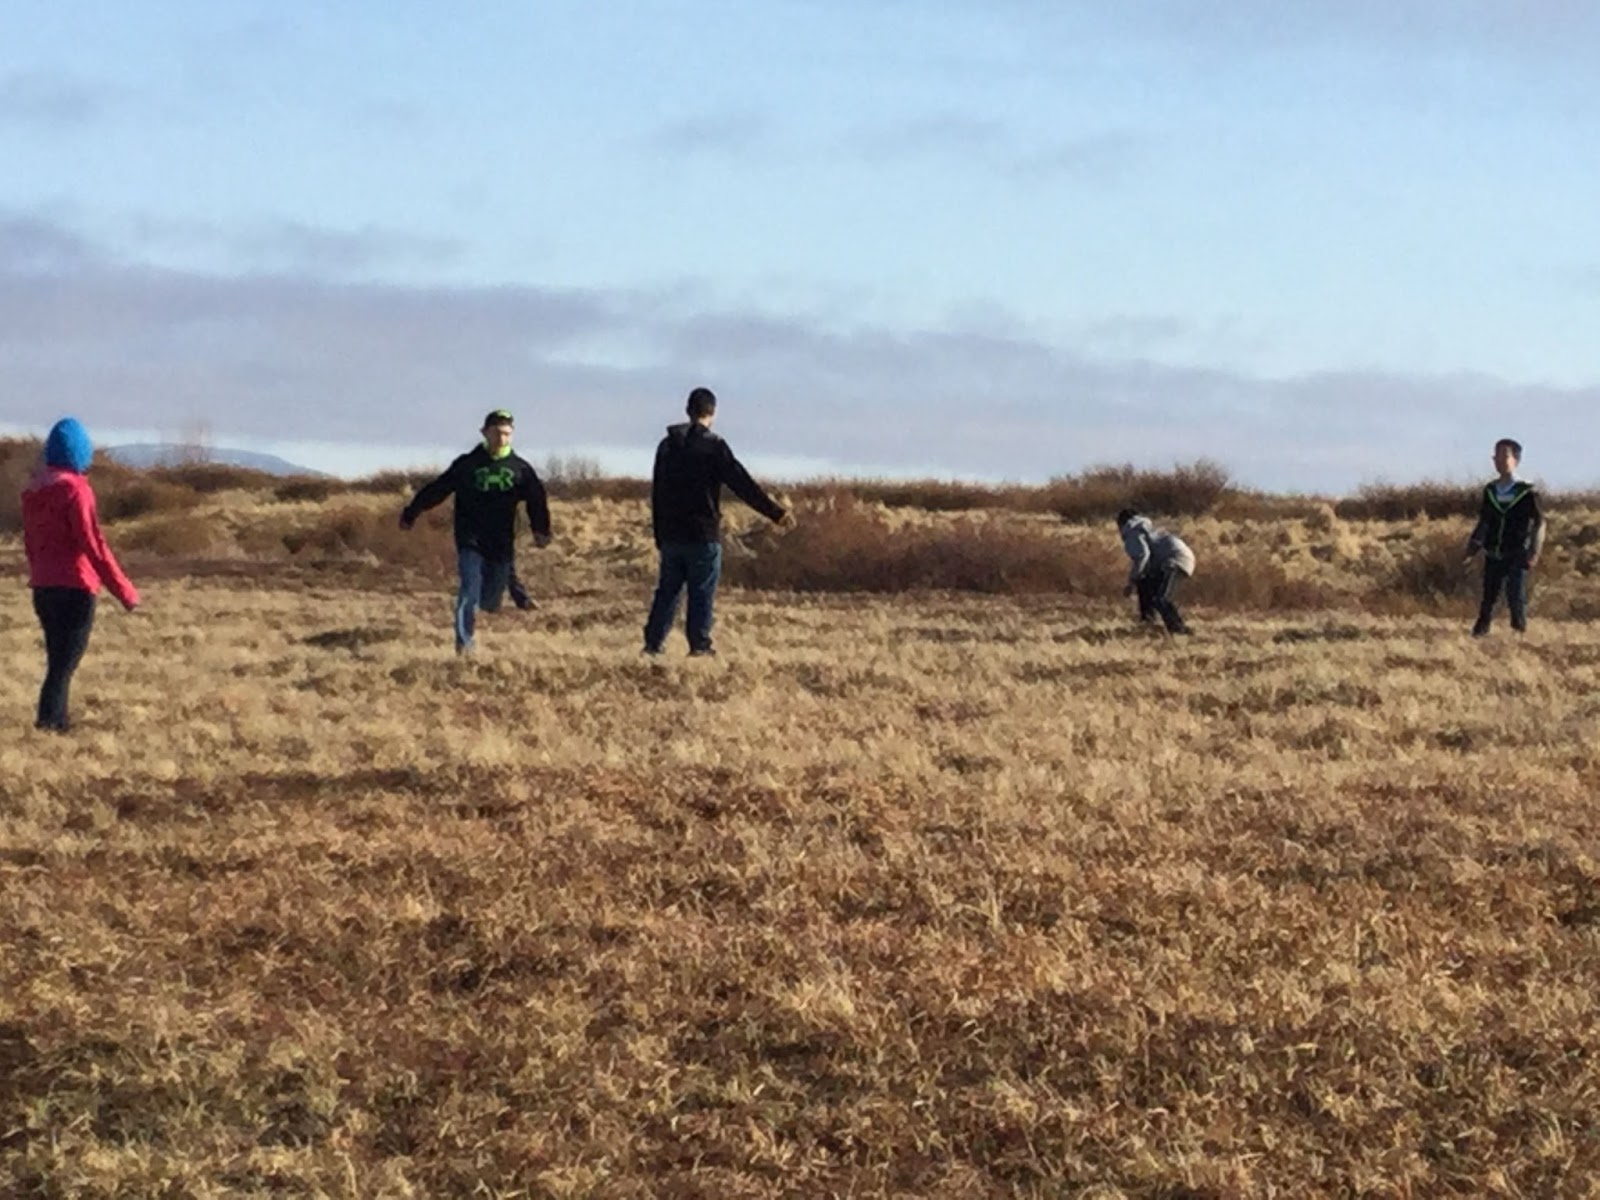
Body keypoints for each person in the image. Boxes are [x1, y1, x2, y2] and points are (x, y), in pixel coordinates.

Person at [644, 387, 789, 657]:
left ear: (688, 410)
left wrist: (659, 534)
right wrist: (775, 512)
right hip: (702, 534)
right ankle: (699, 645)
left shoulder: (666, 446)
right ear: (713, 412)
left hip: (672, 535)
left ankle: (653, 644)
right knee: (701, 592)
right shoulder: (714, 446)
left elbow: (658, 492)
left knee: (667, 591)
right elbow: (741, 483)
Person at [20, 418, 140, 732]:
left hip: (43, 588)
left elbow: (32, 543)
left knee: (57, 660)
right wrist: (124, 591)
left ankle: (55, 720)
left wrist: (39, 573)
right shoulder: (77, 491)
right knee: (63, 664)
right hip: (75, 586)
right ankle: (51, 724)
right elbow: (93, 544)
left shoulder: (34, 492)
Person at [399, 409, 551, 653]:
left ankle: (486, 605)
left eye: (506, 434)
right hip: (470, 538)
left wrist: (541, 530)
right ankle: (464, 645)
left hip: (501, 541)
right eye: (496, 433)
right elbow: (438, 489)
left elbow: (536, 500)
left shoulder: (520, 469)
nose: (501, 438)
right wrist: (412, 511)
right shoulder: (467, 465)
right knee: (469, 589)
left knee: (490, 601)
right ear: (484, 432)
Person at [1464, 437, 1545, 637]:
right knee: (1489, 595)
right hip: (1494, 550)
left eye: (1505, 455)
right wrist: (1473, 546)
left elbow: (1540, 522)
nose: (1500, 459)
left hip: (1518, 551)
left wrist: (1534, 551)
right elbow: (1485, 520)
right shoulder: (1490, 490)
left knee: (1515, 593)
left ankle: (1519, 631)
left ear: (1516, 460)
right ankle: (1479, 633)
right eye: (1496, 455)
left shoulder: (1527, 491)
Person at [1116, 508, 1194, 635]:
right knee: (1146, 585)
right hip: (1178, 556)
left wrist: (1131, 581)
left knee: (1161, 598)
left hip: (1174, 560)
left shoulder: (1132, 530)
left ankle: (1179, 630)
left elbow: (1142, 556)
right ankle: (1148, 624)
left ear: (1121, 523)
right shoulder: (1146, 527)